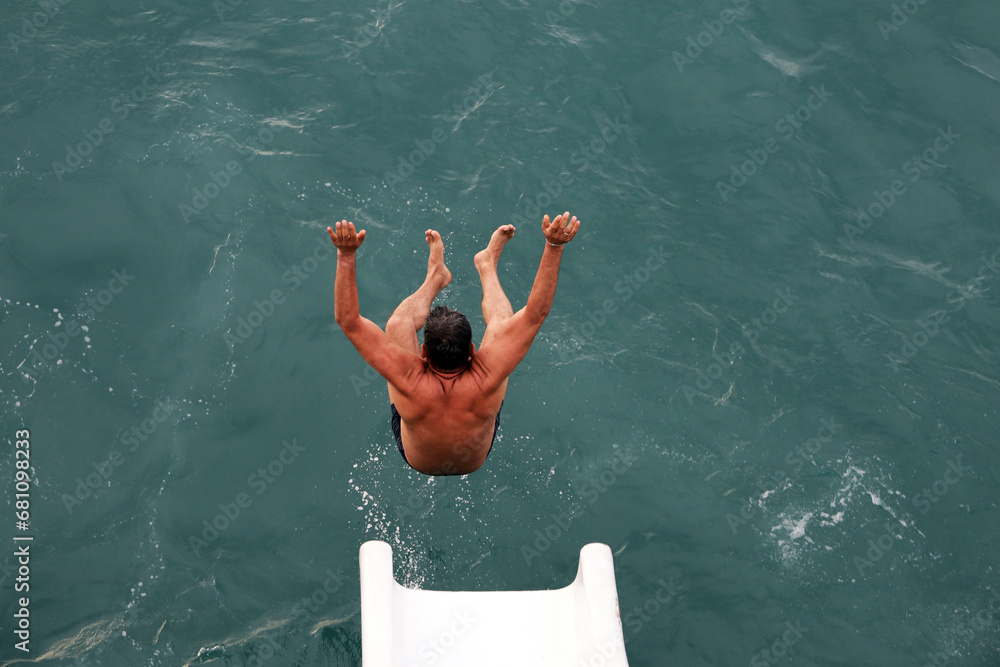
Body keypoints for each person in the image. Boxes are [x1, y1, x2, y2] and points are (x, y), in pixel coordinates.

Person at [328, 211, 581, 475]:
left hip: (415, 458)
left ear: (423, 353)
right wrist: (554, 246)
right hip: (475, 457)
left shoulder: (406, 376)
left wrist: (345, 255)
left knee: (398, 325)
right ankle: (484, 267)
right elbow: (535, 313)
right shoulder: (487, 374)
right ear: (472, 351)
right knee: (502, 325)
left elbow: (348, 320)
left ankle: (437, 277)